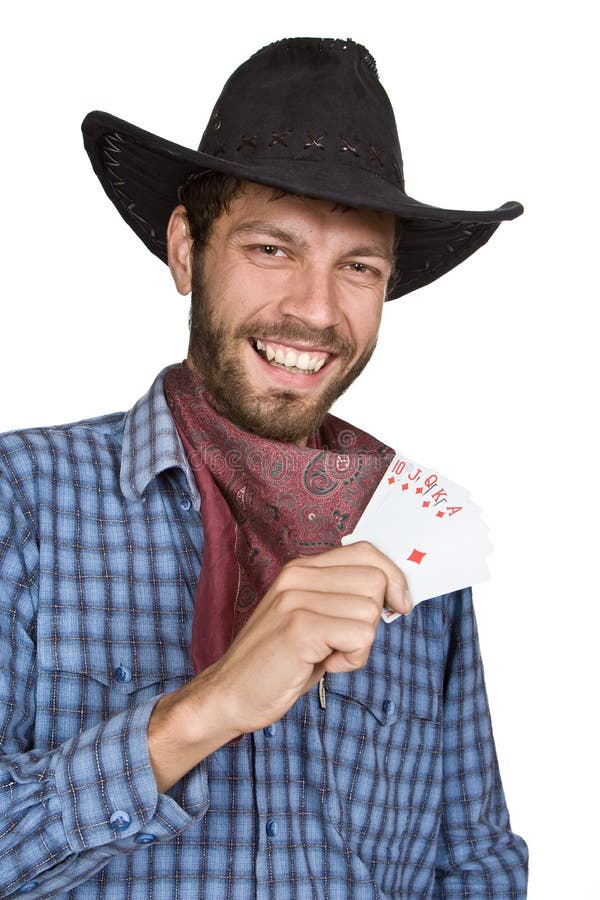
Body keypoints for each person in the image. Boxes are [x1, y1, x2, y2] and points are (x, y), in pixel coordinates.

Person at [0, 37, 527, 898]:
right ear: (184, 249)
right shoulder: (21, 498)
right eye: (272, 250)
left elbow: (471, 865)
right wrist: (206, 709)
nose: (316, 310)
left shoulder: (416, 543)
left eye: (358, 267)